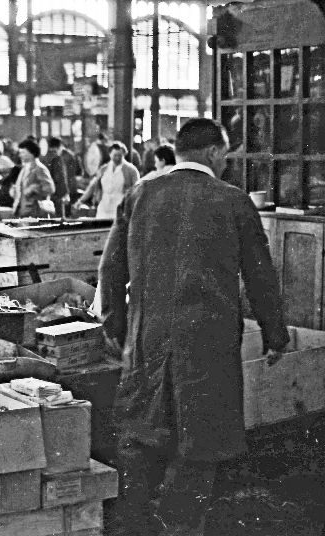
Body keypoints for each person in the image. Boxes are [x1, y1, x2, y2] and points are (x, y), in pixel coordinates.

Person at [99, 118, 289, 536]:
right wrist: (275, 336)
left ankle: (136, 523)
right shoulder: (235, 201)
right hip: (208, 343)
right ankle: (182, 526)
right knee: (199, 443)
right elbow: (260, 277)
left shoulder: (139, 194)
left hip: (146, 339)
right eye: (226, 155)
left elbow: (111, 268)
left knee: (143, 433)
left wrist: (113, 326)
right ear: (213, 153)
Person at [74, 141, 140, 219]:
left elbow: (137, 190)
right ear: (110, 154)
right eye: (115, 155)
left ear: (124, 155)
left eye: (120, 155)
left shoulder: (131, 170)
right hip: (103, 208)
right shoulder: (104, 169)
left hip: (121, 209)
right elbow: (92, 187)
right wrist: (81, 201)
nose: (117, 158)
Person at [12, 139, 55, 218]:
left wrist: (34, 188)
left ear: (31, 153)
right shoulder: (25, 168)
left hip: (35, 213)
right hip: (23, 212)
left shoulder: (39, 168)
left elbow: (50, 189)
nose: (20, 155)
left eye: (23, 153)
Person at [40, 137, 70, 217]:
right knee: (58, 220)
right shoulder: (57, 159)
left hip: (45, 195)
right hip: (56, 196)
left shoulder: (43, 158)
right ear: (59, 146)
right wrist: (65, 193)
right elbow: (60, 177)